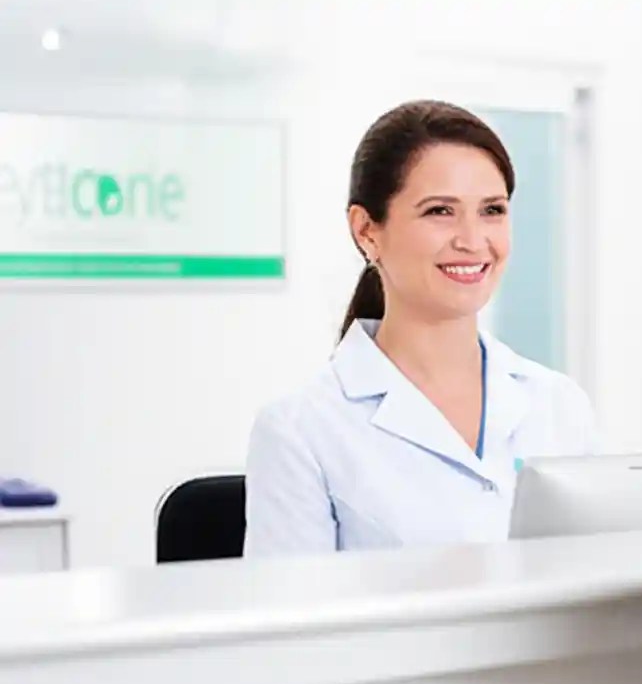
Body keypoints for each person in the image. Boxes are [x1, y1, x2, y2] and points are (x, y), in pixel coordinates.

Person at [244, 101, 598, 556]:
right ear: (367, 231)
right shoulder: (301, 431)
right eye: (439, 212)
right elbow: (294, 623)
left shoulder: (560, 406)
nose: (472, 240)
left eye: (492, 210)